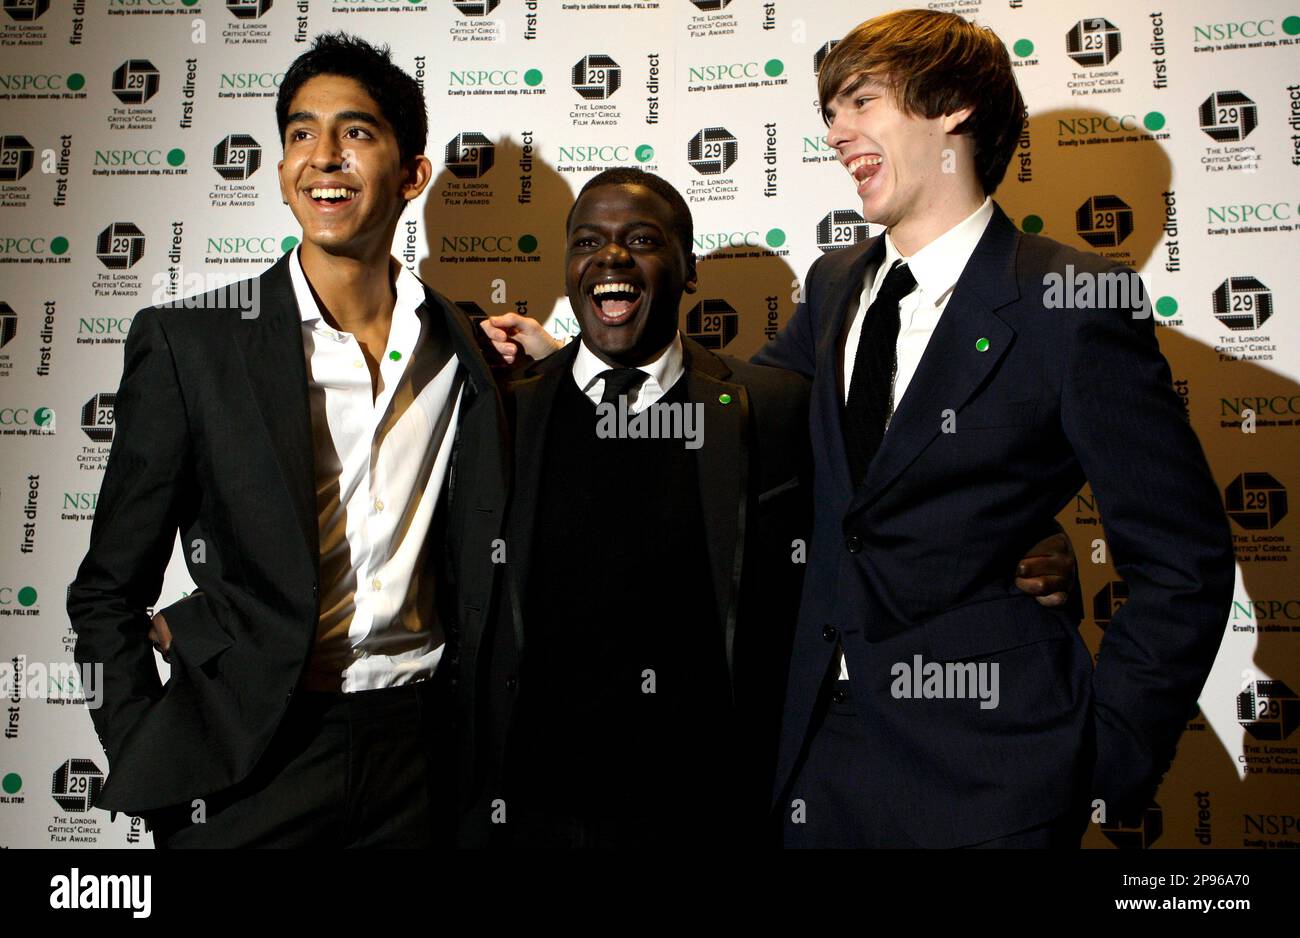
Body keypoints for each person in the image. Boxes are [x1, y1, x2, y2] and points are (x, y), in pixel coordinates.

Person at [472, 168, 1078, 847]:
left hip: (720, 808)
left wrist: (1022, 538)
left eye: (641, 239)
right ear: (567, 266)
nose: (612, 257)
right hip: (537, 809)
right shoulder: (500, 416)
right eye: (588, 241)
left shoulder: (773, 407)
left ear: (687, 268)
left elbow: (887, 502)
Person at [748, 9, 1232, 847]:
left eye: (860, 102)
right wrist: (575, 363)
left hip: (990, 779)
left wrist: (1098, 759)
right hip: (815, 765)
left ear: (951, 107)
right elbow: (742, 414)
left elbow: (1182, 562)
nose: (836, 132)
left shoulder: (1072, 303)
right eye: (829, 114)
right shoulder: (831, 286)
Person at [67, 33, 506, 847]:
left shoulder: (466, 352)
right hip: (251, 765)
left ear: (412, 175)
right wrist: (142, 746)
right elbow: (105, 592)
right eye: (301, 134)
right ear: (279, 170)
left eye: (357, 133)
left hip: (422, 759)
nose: (324, 158)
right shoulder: (191, 344)